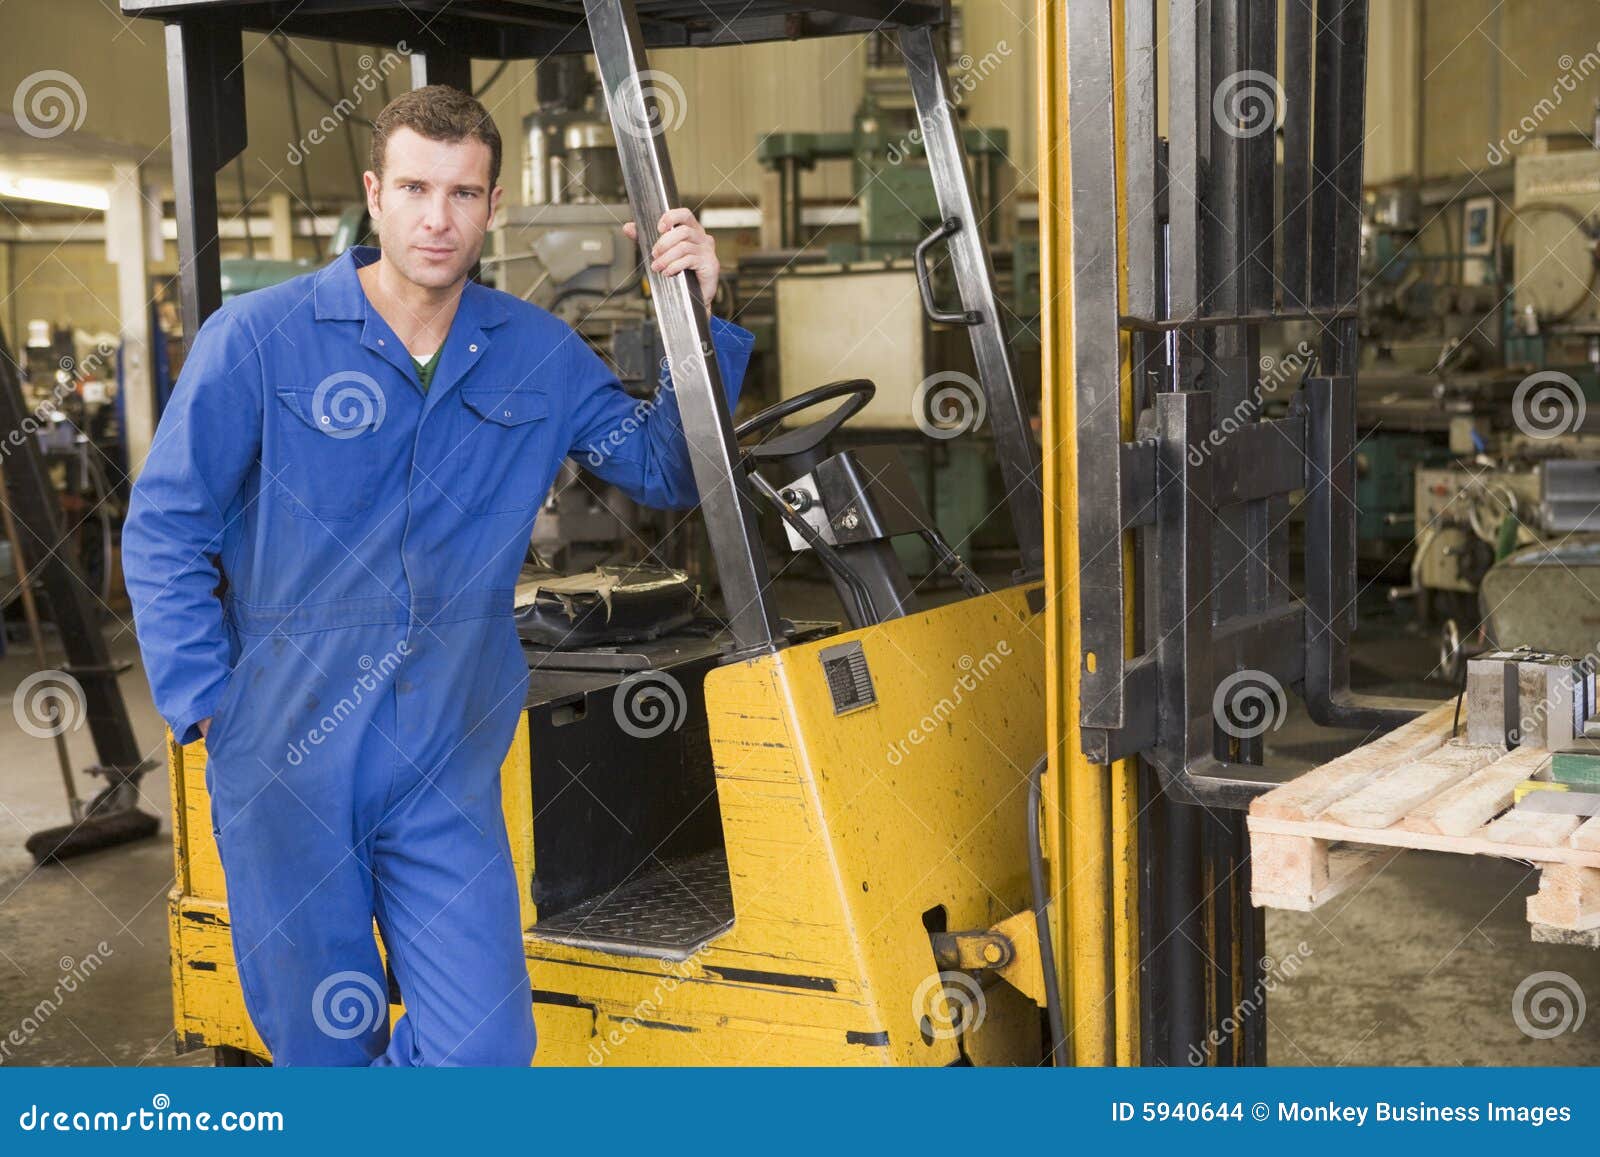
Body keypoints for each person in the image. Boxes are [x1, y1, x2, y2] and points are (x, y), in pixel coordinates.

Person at [122, 84, 753, 1066]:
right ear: (375, 192)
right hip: (286, 754)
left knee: (484, 1051)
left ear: (493, 208)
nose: (436, 216)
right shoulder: (257, 340)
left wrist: (699, 312)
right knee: (323, 1046)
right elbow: (166, 526)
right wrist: (206, 703)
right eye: (415, 187)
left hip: (444, 758)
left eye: (462, 193)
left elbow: (669, 469)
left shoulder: (535, 354)